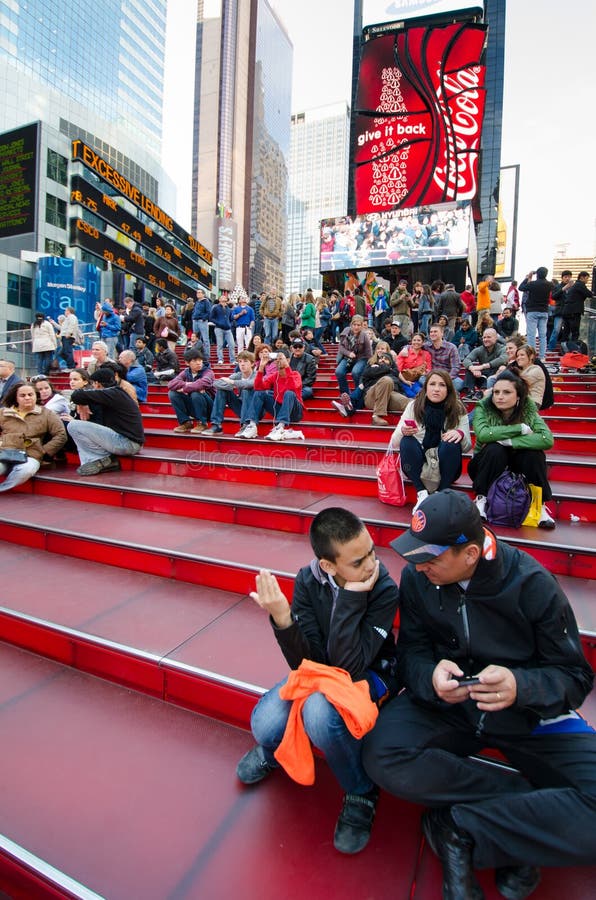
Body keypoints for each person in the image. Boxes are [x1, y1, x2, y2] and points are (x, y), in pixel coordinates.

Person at [363, 489, 595, 900]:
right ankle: (524, 807)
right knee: (381, 753)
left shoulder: (533, 584)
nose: (417, 566)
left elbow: (574, 677)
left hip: (527, 718)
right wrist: (429, 677)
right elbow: (411, 654)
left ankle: (460, 827)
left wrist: (520, 686)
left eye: (430, 557)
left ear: (470, 554)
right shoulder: (419, 580)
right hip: (450, 708)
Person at [236, 507, 400, 855]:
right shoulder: (309, 581)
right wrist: (283, 619)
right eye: (358, 561)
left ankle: (360, 789)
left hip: (370, 674)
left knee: (319, 714)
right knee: (265, 725)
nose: (371, 564)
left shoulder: (383, 587)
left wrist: (354, 594)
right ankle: (278, 751)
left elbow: (350, 667)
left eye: (371, 551)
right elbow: (304, 665)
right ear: (328, 565)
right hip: (320, 673)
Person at [468, 371, 555, 527]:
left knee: (533, 454)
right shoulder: (484, 407)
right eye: (496, 392)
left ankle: (539, 506)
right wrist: (520, 428)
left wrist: (508, 441)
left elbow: (546, 439)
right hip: (486, 465)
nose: (500, 396)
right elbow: (483, 434)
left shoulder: (528, 409)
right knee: (495, 448)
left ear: (518, 396)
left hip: (518, 464)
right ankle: (481, 499)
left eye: (507, 392)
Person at [389, 370, 471, 511]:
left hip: (445, 466)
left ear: (448, 389)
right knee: (406, 441)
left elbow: (467, 446)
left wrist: (460, 434)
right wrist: (403, 431)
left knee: (451, 442)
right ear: (426, 387)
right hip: (418, 465)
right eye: (432, 384)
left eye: (442, 385)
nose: (437, 389)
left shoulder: (458, 409)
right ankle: (421, 493)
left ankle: (441, 493)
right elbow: (394, 443)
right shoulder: (413, 406)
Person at [68, 367, 144, 475]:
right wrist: (83, 403)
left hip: (128, 443)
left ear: (97, 384)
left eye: (93, 384)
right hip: (128, 442)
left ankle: (102, 459)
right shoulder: (115, 393)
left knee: (73, 425)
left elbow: (76, 395)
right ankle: (97, 460)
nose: (93, 387)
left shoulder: (112, 393)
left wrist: (82, 402)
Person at [0, 381, 67, 492]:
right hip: (5, 452)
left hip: (30, 455)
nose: (27, 398)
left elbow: (61, 435)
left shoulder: (47, 414)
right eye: (22, 395)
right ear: (15, 398)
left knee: (25, 471)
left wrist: (44, 451)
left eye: (30, 395)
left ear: (36, 396)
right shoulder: (3, 413)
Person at [239, 347, 303, 441]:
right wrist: (261, 367)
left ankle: (280, 428)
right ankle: (252, 425)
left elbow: (292, 387)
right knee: (260, 393)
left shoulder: (295, 374)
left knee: (289, 393)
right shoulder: (274, 376)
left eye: (281, 358)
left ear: (288, 360)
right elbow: (258, 387)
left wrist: (286, 366)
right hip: (279, 409)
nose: (278, 361)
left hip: (295, 412)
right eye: (276, 359)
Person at [202, 350, 256, 436]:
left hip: (255, 410)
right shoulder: (238, 375)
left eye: (245, 361)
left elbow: (250, 384)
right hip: (241, 407)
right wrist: (231, 384)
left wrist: (233, 383)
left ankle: (245, 426)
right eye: (240, 361)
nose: (242, 364)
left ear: (252, 364)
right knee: (222, 390)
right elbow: (216, 383)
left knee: (246, 391)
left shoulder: (256, 375)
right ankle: (216, 425)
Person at [167, 350, 215, 434]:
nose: (198, 363)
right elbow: (171, 384)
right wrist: (187, 383)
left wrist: (184, 388)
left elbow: (204, 383)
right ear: (187, 363)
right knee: (172, 393)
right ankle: (186, 422)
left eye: (200, 360)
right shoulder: (186, 372)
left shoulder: (208, 372)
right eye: (194, 361)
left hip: (209, 408)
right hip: (194, 406)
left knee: (196, 393)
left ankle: (202, 423)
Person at [360, 347, 408, 425]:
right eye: (381, 358)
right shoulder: (373, 367)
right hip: (372, 397)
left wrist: (403, 396)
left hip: (390, 397)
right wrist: (388, 367)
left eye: (385, 359)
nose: (382, 360)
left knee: (411, 403)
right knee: (387, 380)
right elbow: (364, 377)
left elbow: (400, 389)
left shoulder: (394, 374)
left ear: (391, 362)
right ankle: (376, 416)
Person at [462, 328, 508, 399]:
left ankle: (482, 392)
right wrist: (472, 369)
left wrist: (483, 366)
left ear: (496, 338)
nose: (486, 339)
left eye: (489, 337)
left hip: (494, 378)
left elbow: (503, 358)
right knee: (469, 370)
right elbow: (466, 360)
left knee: (498, 367)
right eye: (484, 337)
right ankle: (470, 391)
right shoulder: (479, 349)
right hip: (481, 376)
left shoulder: (502, 348)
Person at [518, 268, 553, 361]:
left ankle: (531, 355)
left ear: (537, 274)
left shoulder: (533, 284)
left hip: (532, 311)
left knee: (531, 335)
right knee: (543, 335)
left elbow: (521, 287)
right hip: (544, 311)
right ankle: (542, 356)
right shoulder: (549, 284)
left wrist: (528, 277)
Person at [335, 315, 372, 398]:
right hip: (348, 357)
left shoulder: (364, 335)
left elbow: (369, 352)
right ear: (351, 325)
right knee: (339, 372)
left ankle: (357, 394)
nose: (356, 327)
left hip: (361, 358)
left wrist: (371, 363)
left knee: (356, 372)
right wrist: (348, 353)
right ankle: (345, 394)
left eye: (358, 325)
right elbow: (341, 346)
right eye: (354, 325)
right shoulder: (346, 332)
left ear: (362, 326)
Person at [424, 324, 463, 391]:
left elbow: (456, 367)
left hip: (447, 375)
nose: (433, 334)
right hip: (433, 376)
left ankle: (443, 392)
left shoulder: (451, 347)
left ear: (442, 333)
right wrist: (406, 348)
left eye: (435, 331)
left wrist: (446, 379)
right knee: (421, 379)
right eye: (431, 332)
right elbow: (414, 345)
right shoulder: (427, 346)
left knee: (459, 383)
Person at [562, 271, 594, 343]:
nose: (587, 280)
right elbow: (589, 294)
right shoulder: (580, 285)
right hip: (574, 312)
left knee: (566, 331)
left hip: (567, 311)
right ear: (582, 277)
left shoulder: (575, 285)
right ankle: (574, 349)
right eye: (586, 278)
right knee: (575, 332)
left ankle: (564, 346)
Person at [547, 270, 572, 350]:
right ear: (562, 278)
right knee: (556, 329)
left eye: (569, 277)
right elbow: (553, 296)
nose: (567, 279)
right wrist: (563, 289)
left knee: (568, 331)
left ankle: (566, 348)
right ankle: (551, 347)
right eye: (565, 277)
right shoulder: (558, 286)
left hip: (570, 311)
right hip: (560, 311)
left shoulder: (573, 287)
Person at [210, 293, 236, 365]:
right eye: (222, 297)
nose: (224, 298)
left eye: (225, 297)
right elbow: (211, 318)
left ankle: (233, 360)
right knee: (220, 344)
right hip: (219, 328)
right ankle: (220, 359)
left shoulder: (228, 308)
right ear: (219, 299)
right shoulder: (215, 307)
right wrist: (218, 323)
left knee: (232, 344)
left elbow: (231, 318)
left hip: (228, 329)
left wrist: (229, 324)